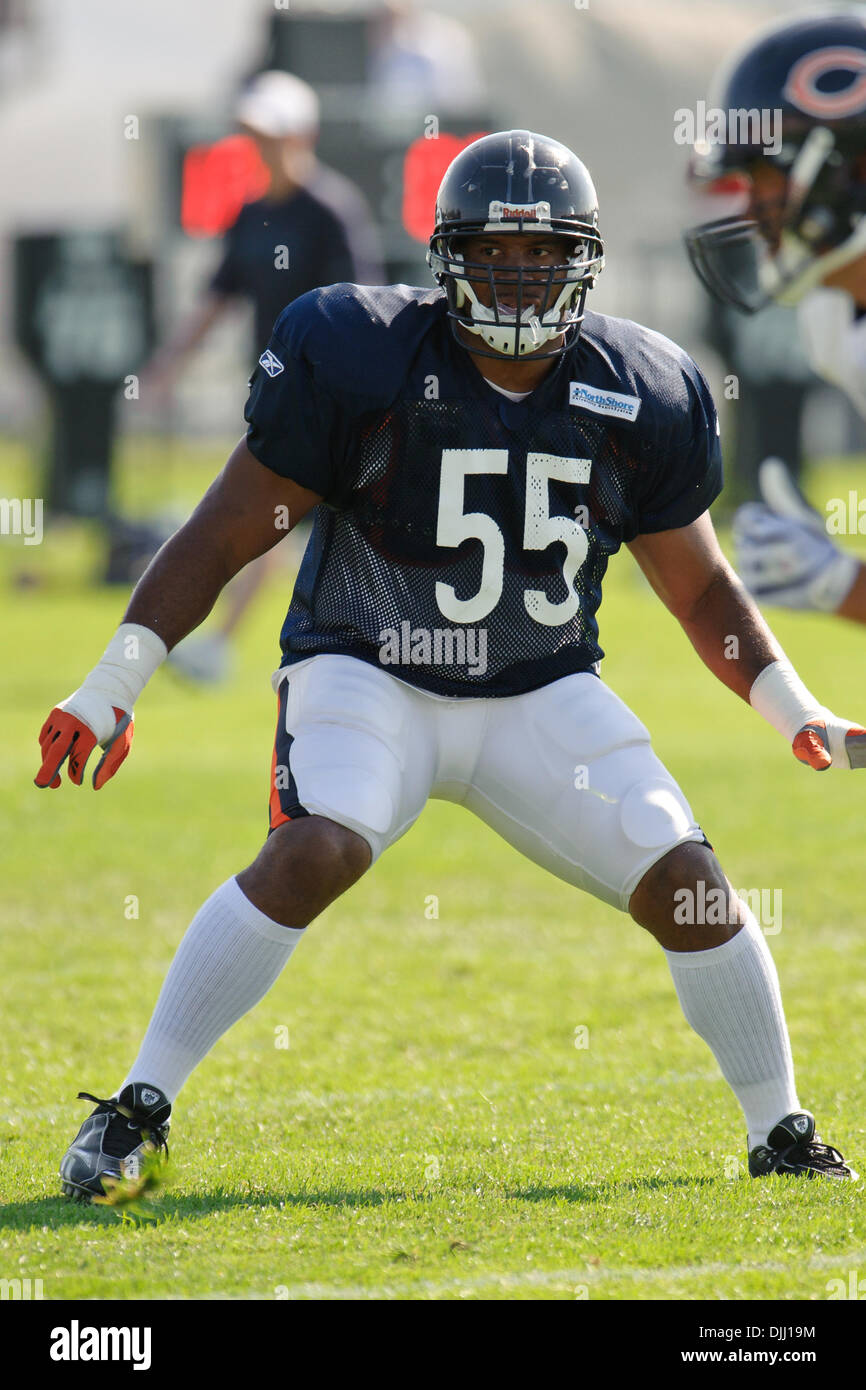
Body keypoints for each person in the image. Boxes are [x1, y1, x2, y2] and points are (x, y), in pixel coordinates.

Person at [36, 131, 864, 1201]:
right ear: (447, 257)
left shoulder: (640, 386)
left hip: (539, 695)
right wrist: (111, 685)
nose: (518, 274)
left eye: (541, 252)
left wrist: (790, 705)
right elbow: (226, 529)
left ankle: (780, 1130)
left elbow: (697, 588)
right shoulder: (359, 351)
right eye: (494, 251)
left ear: (582, 260)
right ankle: (136, 1109)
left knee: (693, 888)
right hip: (367, 670)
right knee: (312, 851)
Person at [144, 69, 384, 682]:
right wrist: (166, 366)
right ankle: (233, 645)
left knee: (276, 517)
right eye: (253, 134)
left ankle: (230, 645)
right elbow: (217, 298)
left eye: (270, 135)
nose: (259, 146)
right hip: (273, 394)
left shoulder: (332, 210)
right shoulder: (250, 214)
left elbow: (366, 307)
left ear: (302, 135)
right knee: (275, 518)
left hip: (329, 399)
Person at [685, 8, 866, 626]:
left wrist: (842, 586)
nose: (754, 209)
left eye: (765, 178)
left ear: (850, 168)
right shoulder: (834, 322)